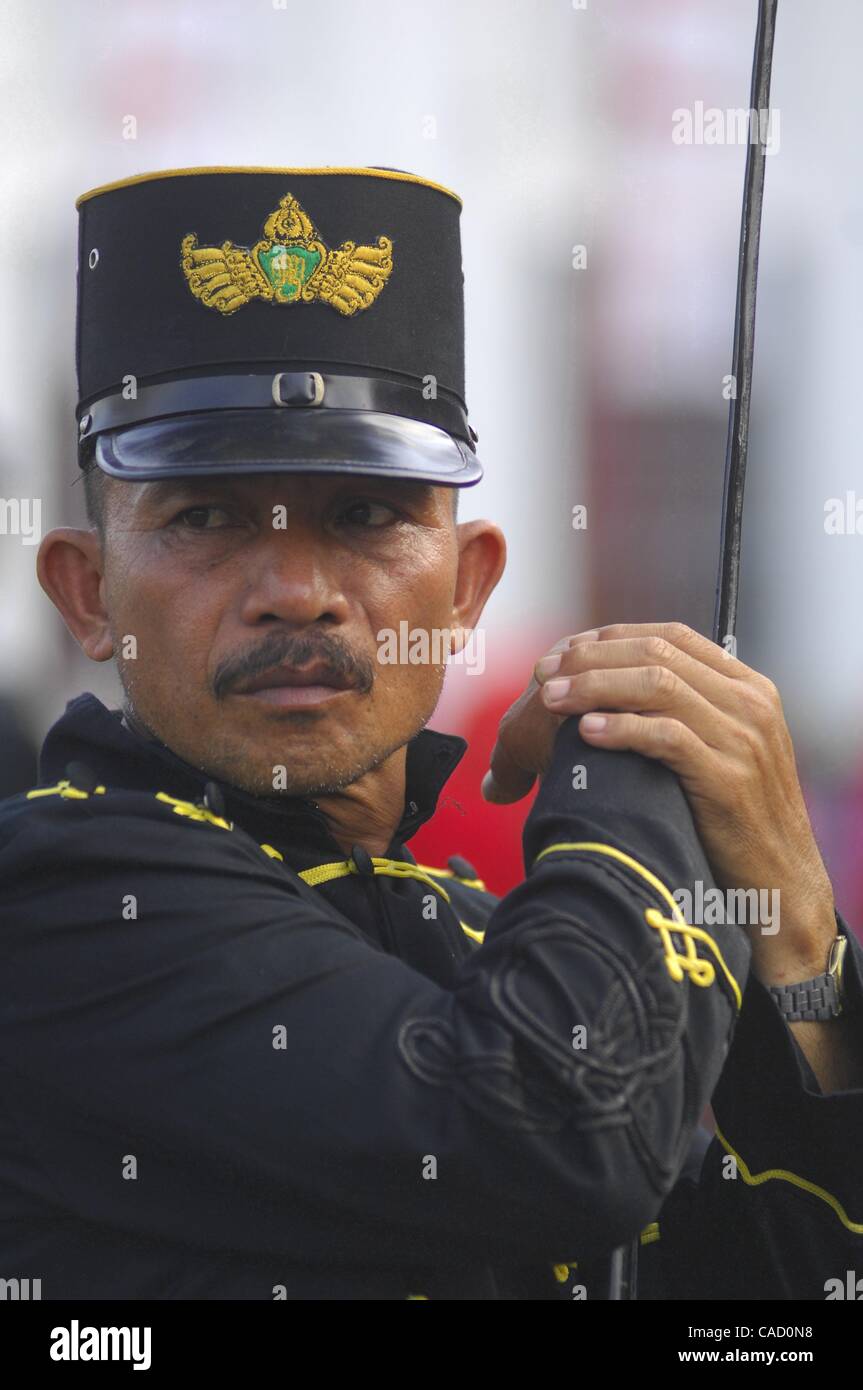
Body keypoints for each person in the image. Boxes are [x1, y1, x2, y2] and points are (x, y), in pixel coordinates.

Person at [0, 166, 860, 1301]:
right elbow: (557, 1130)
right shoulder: (58, 896)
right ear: (88, 592)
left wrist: (801, 940)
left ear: (465, 588)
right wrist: (623, 759)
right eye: (205, 516)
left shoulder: (479, 942)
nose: (298, 591)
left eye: (363, 515)